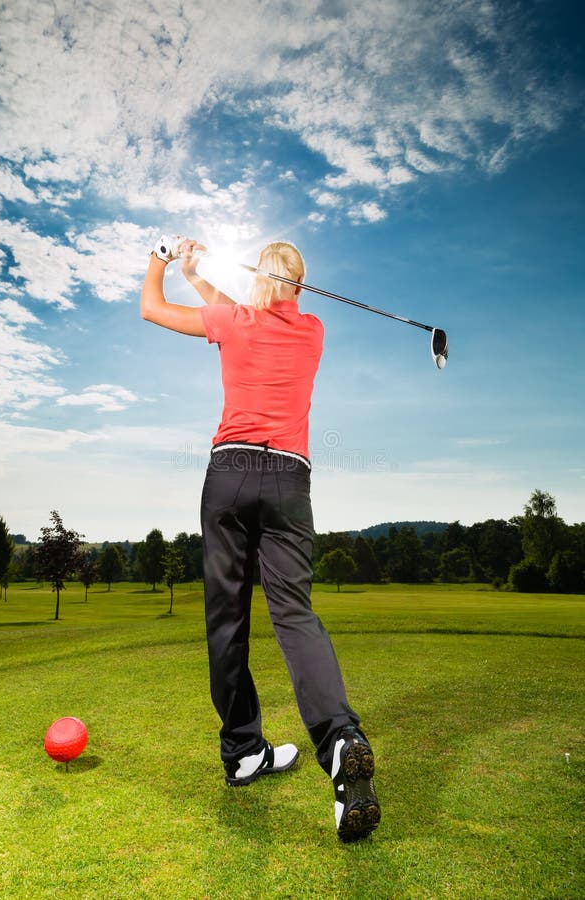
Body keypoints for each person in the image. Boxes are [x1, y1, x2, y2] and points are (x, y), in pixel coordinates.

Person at [141, 235, 380, 842]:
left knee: (227, 622)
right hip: (288, 483)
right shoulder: (313, 330)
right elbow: (241, 314)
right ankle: (340, 740)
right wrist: (199, 276)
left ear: (259, 281)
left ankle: (243, 749)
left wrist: (162, 261)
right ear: (299, 286)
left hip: (228, 477)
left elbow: (152, 308)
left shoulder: (234, 320)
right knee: (294, 615)